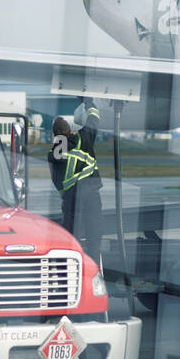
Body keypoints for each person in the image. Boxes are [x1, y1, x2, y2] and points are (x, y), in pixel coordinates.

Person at [48, 100, 104, 264]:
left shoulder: (55, 153)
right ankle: (94, 268)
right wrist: (89, 103)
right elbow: (94, 118)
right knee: (94, 238)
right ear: (70, 129)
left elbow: (57, 180)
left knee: (72, 240)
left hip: (71, 200)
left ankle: (71, 270)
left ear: (56, 135)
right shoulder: (83, 138)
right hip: (92, 196)